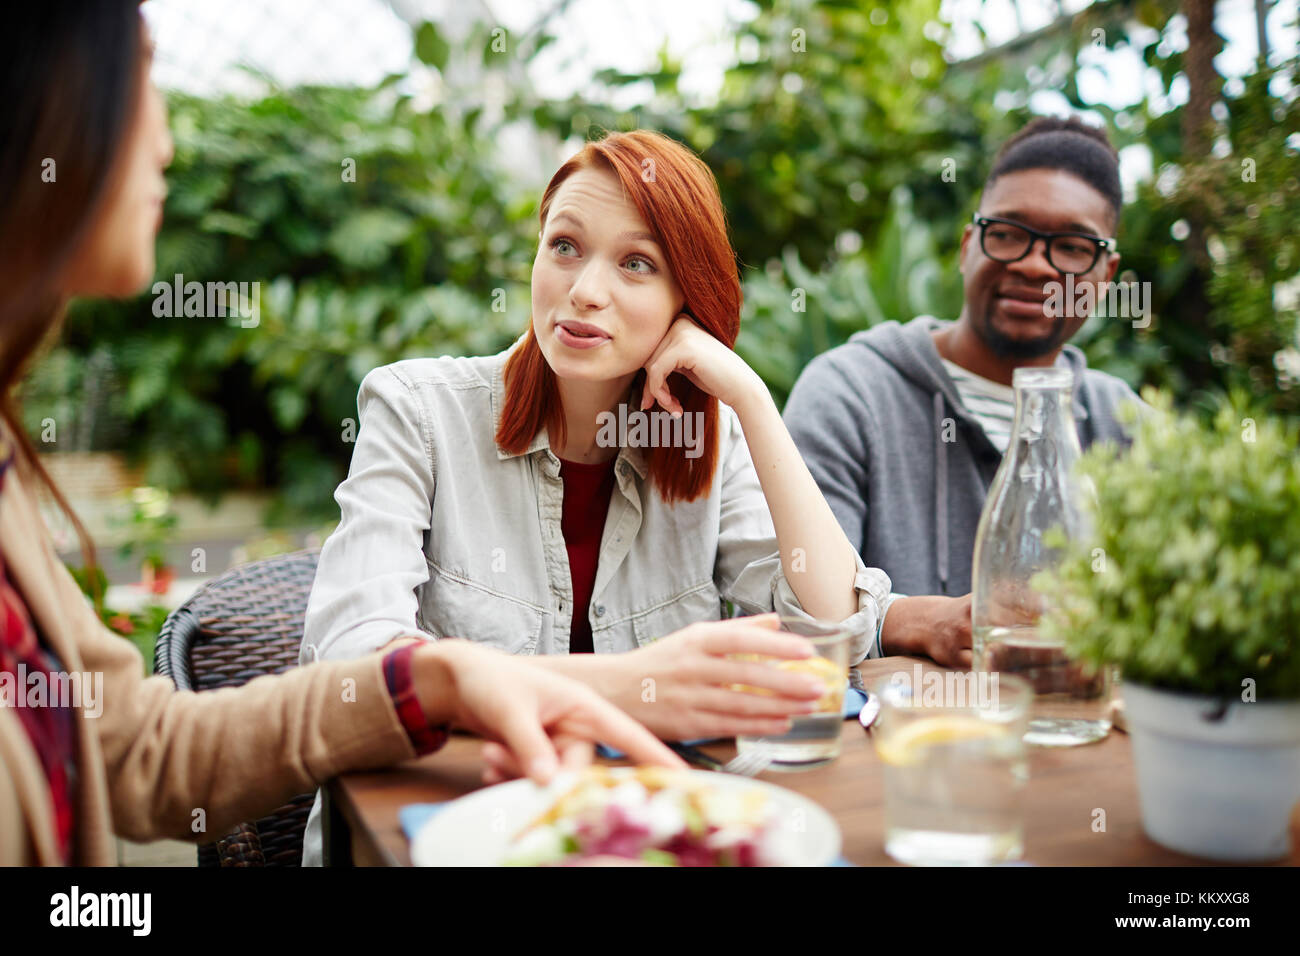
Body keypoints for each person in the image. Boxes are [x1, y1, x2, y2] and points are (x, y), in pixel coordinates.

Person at [0, 0, 685, 867]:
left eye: (638, 263)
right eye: (140, 73)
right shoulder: (419, 407)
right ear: (41, 92)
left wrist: (432, 680)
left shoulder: (6, 477)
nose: (166, 139)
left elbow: (136, 754)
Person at [298, 128, 892, 862]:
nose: (583, 290)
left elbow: (832, 630)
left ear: (688, 302)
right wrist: (633, 685)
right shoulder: (417, 410)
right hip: (453, 827)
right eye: (566, 246)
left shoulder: (705, 444)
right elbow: (350, 670)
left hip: (637, 830)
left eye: (637, 263)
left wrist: (751, 400)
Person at [784, 117, 1142, 668]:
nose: (1032, 264)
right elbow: (790, 616)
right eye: (1008, 233)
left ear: (1106, 273)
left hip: (1085, 740)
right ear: (967, 244)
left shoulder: (1123, 425)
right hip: (900, 745)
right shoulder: (850, 395)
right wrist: (920, 622)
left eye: (1071, 247)